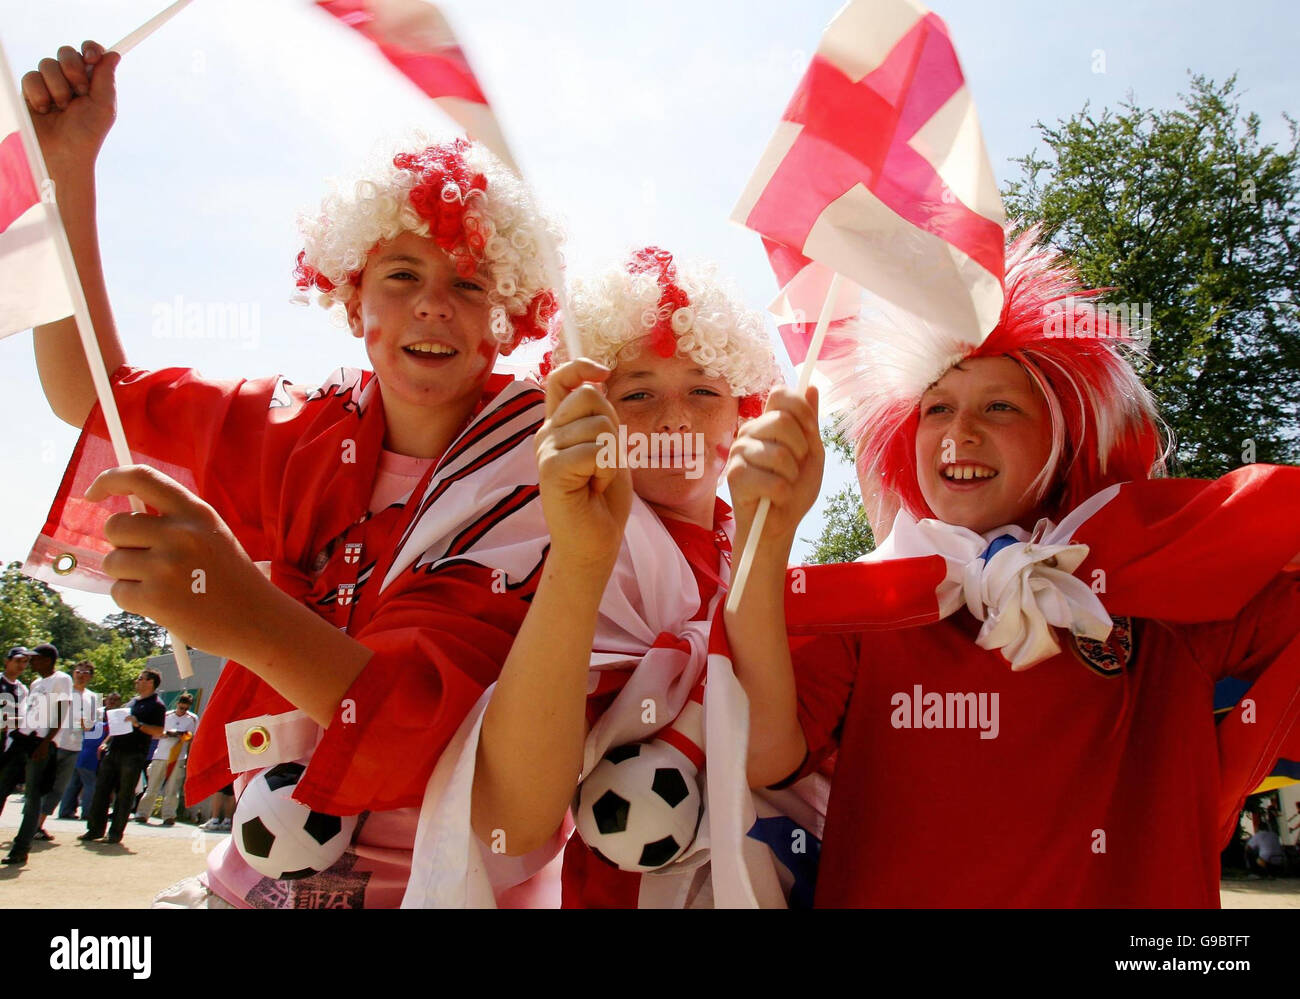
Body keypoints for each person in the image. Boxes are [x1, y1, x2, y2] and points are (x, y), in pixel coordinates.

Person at [24, 41, 559, 907]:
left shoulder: (549, 469)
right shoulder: (283, 424)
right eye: (401, 274)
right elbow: (89, 391)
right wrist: (64, 172)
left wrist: (243, 611)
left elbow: (429, 726)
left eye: (469, 282)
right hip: (252, 886)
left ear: (507, 317)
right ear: (351, 300)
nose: (433, 301)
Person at [723, 230, 1300, 907]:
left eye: (999, 406)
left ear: (1064, 438)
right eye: (936, 407)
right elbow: (762, 757)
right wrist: (768, 533)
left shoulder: (1167, 592)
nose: (958, 432)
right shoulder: (873, 602)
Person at [407, 247, 818, 908]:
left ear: (744, 408)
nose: (674, 419)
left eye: (704, 391)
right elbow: (512, 815)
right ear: (592, 412)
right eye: (638, 394)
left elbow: (772, 754)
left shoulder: (754, 542)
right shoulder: (554, 544)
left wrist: (767, 543)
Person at [3, 644, 72, 865]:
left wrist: (47, 741)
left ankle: (21, 848)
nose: (30, 663)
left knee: (33, 797)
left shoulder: (61, 679)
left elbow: (62, 710)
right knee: (2, 785)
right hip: (23, 738)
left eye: (35, 659)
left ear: (48, 660)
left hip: (41, 742)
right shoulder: (35, 684)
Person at [80, 669, 165, 845]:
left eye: (141, 679)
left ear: (150, 683)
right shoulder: (132, 701)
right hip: (114, 750)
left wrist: (138, 724)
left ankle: (115, 833)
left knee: (124, 794)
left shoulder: (157, 705)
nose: (137, 681)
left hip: (133, 754)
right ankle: (94, 829)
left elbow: (158, 731)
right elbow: (118, 725)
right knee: (101, 790)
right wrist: (106, 741)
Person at [31, 660, 97, 841]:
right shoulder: (64, 690)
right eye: (78, 671)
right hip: (54, 742)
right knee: (41, 784)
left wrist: (86, 723)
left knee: (58, 788)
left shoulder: (91, 697)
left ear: (91, 676)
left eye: (86, 672)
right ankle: (30, 824)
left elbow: (91, 725)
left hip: (74, 746)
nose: (81, 674)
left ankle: (39, 824)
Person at [135, 693, 198, 826]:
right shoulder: (166, 715)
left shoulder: (192, 718)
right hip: (161, 754)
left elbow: (193, 737)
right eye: (181, 707)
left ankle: (169, 815)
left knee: (173, 788)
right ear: (177, 704)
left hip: (178, 757)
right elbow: (156, 732)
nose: (182, 710)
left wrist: (183, 735)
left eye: (185, 708)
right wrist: (169, 733)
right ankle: (142, 813)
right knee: (152, 786)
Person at [60, 689, 118, 820]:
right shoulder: (106, 724)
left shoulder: (95, 722)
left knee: (74, 783)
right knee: (90, 784)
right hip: (90, 756)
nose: (112, 702)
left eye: (115, 700)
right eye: (110, 699)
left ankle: (65, 810)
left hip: (81, 753)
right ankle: (87, 812)